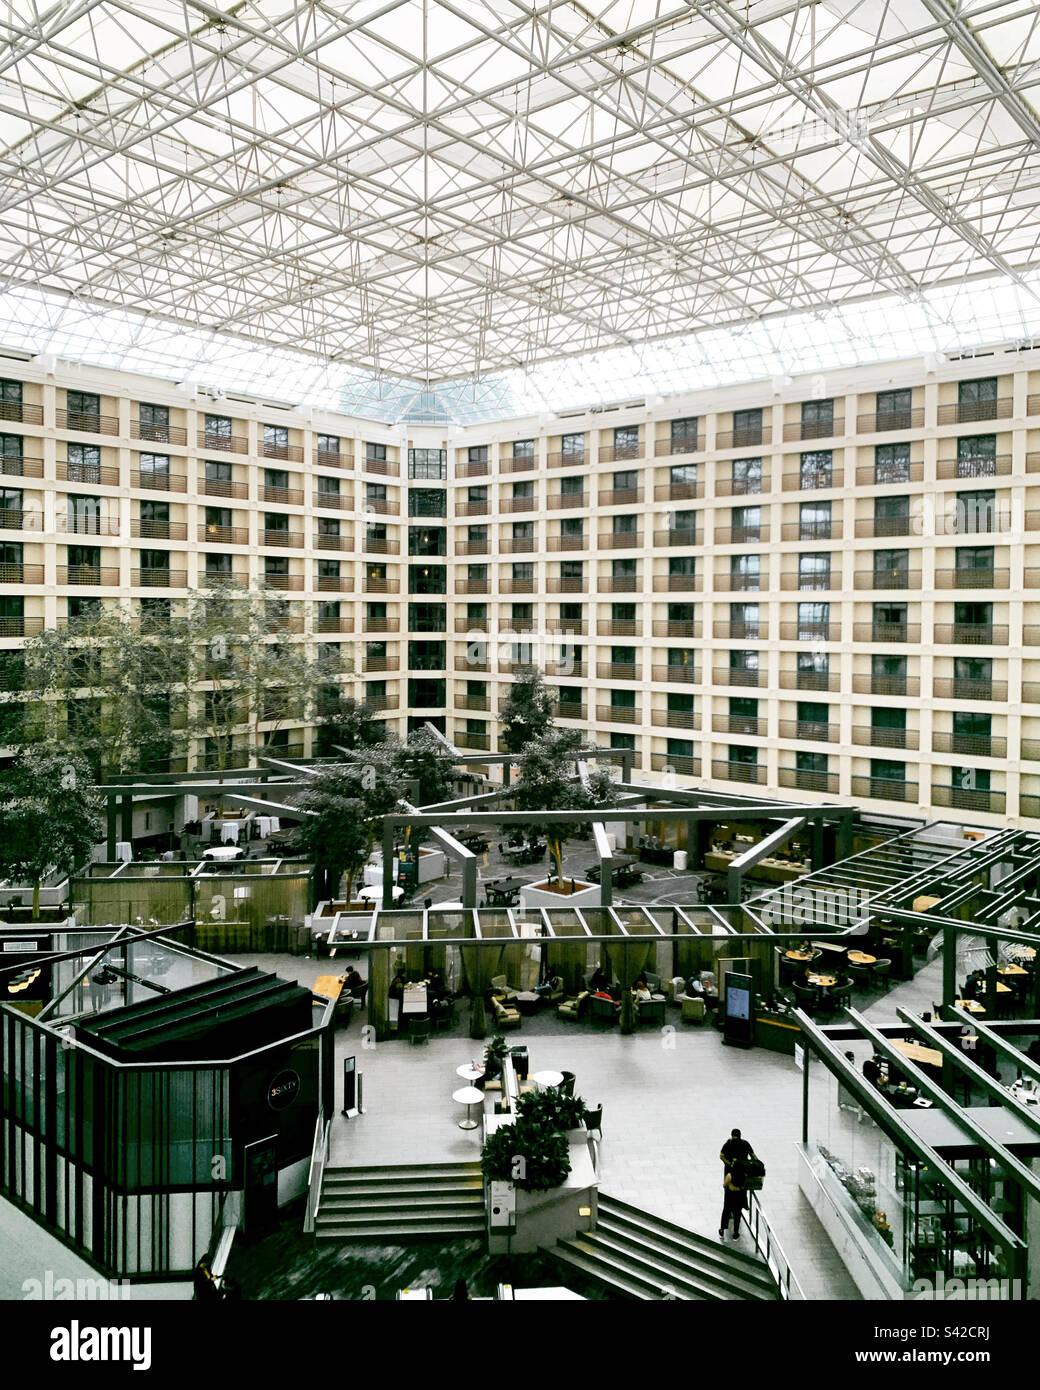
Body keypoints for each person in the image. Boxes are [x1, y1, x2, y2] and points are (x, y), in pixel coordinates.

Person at [719, 1165, 746, 1241]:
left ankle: (722, 1230)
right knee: (737, 1215)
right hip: (738, 1197)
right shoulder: (743, 1176)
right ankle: (735, 1233)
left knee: (726, 1212)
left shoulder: (729, 1175)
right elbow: (743, 1187)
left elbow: (724, 1185)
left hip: (730, 1196)